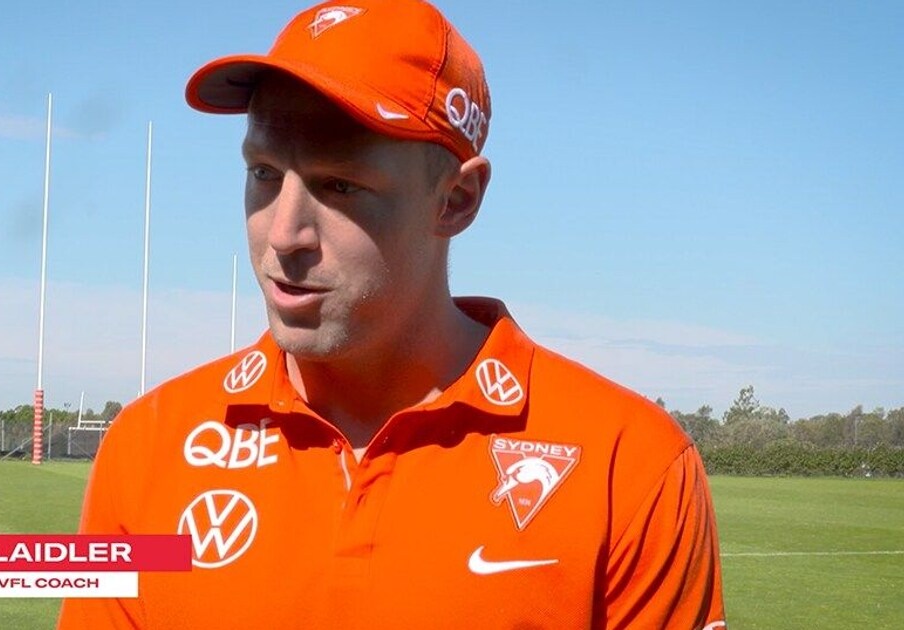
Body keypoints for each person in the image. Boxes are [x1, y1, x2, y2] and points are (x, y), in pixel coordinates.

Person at [59, 0, 726, 628]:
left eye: (340, 185)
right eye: (263, 174)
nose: (283, 233)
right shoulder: (148, 451)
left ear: (456, 201)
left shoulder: (627, 464)